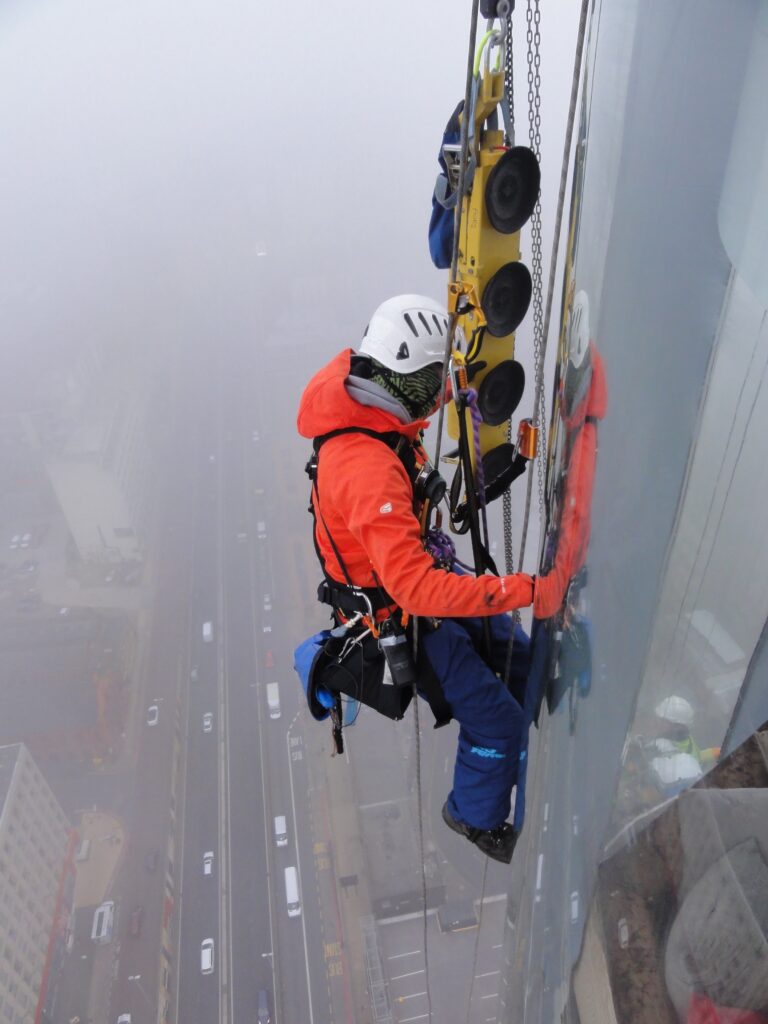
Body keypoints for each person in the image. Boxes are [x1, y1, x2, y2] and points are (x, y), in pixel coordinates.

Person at [296, 294, 536, 863]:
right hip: (401, 618)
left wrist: (456, 388)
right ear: (408, 377)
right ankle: (473, 816)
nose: (435, 395)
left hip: (417, 584)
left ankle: (534, 701)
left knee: (517, 657)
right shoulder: (363, 467)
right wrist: (525, 589)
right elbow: (414, 589)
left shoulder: (375, 410)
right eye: (433, 383)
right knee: (495, 719)